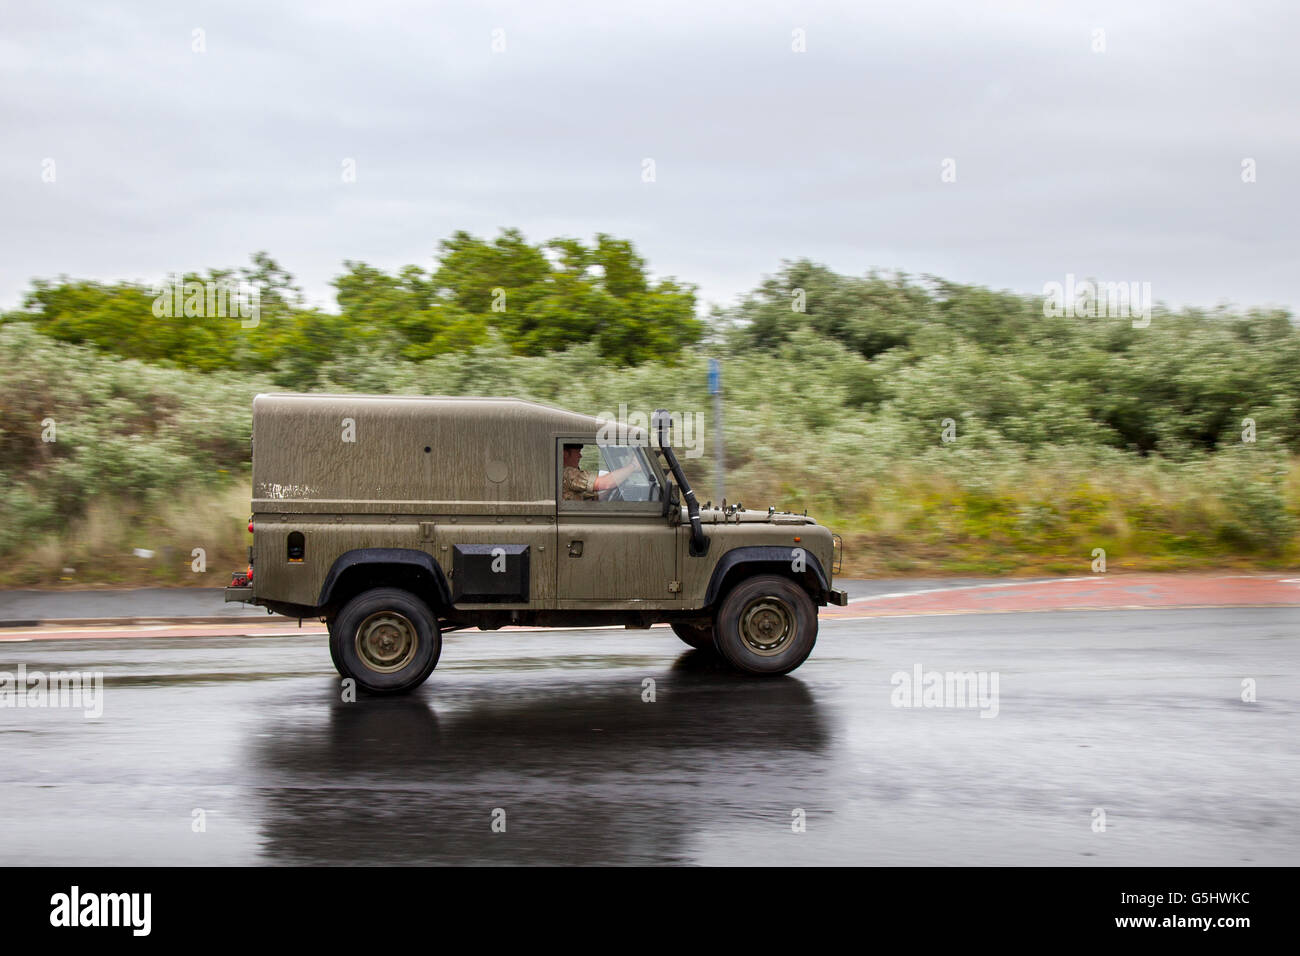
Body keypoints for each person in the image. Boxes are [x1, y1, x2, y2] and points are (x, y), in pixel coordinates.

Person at [562, 443, 638, 501]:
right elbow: (605, 483)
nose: (580, 456)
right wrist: (633, 465)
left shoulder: (565, 474)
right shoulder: (567, 473)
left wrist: (611, 489)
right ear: (565, 454)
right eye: (577, 452)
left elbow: (592, 498)